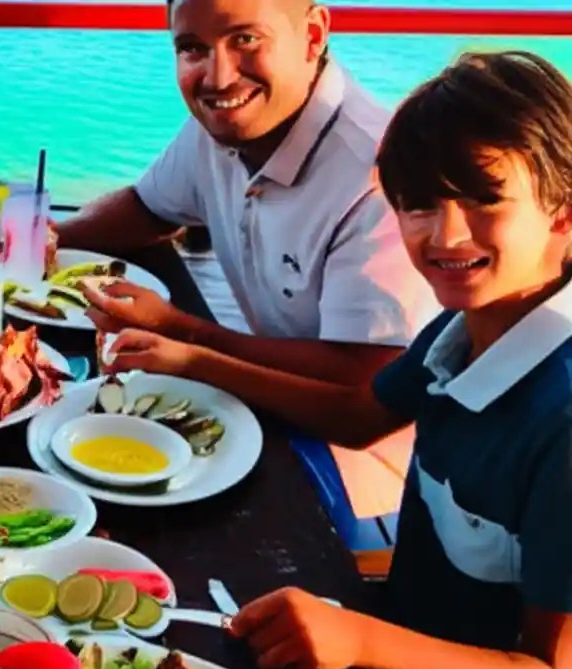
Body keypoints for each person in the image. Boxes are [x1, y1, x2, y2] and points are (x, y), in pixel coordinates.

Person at [179, 51, 572, 669]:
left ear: (563, 211)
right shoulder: (464, 328)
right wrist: (192, 360)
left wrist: (361, 638)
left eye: (484, 199)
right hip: (396, 640)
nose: (446, 234)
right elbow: (361, 416)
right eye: (419, 204)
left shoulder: (559, 420)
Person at [60, 0, 436, 519]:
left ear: (312, 34)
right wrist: (46, 241)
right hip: (265, 404)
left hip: (374, 468)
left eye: (245, 40)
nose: (217, 77)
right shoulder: (224, 124)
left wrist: (183, 332)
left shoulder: (375, 178)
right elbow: (147, 210)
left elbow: (361, 383)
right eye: (193, 48)